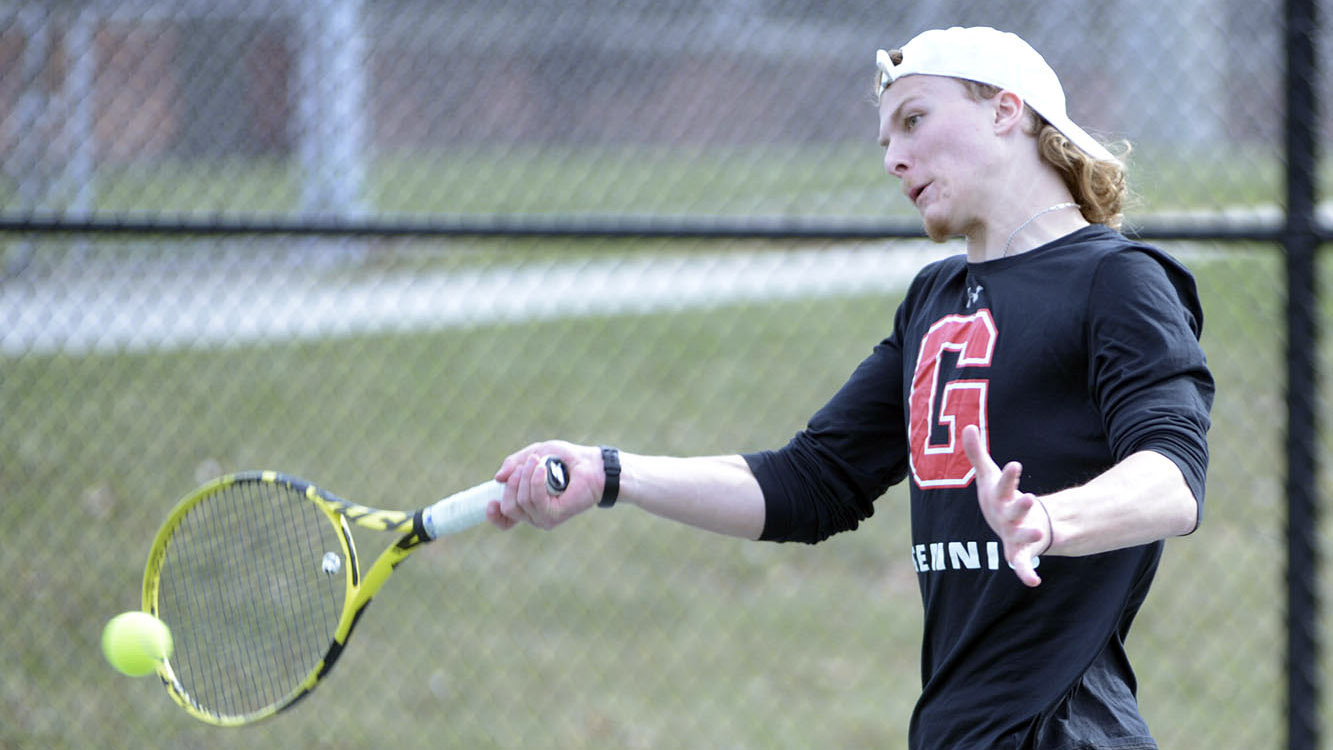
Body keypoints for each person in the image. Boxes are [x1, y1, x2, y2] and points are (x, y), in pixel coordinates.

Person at [487, 26, 1214, 750]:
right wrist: (610, 473)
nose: (895, 158)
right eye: (885, 142)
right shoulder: (932, 299)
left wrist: (1048, 520)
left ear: (1005, 110)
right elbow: (810, 483)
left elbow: (1172, 479)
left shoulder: (1117, 279)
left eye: (914, 119)